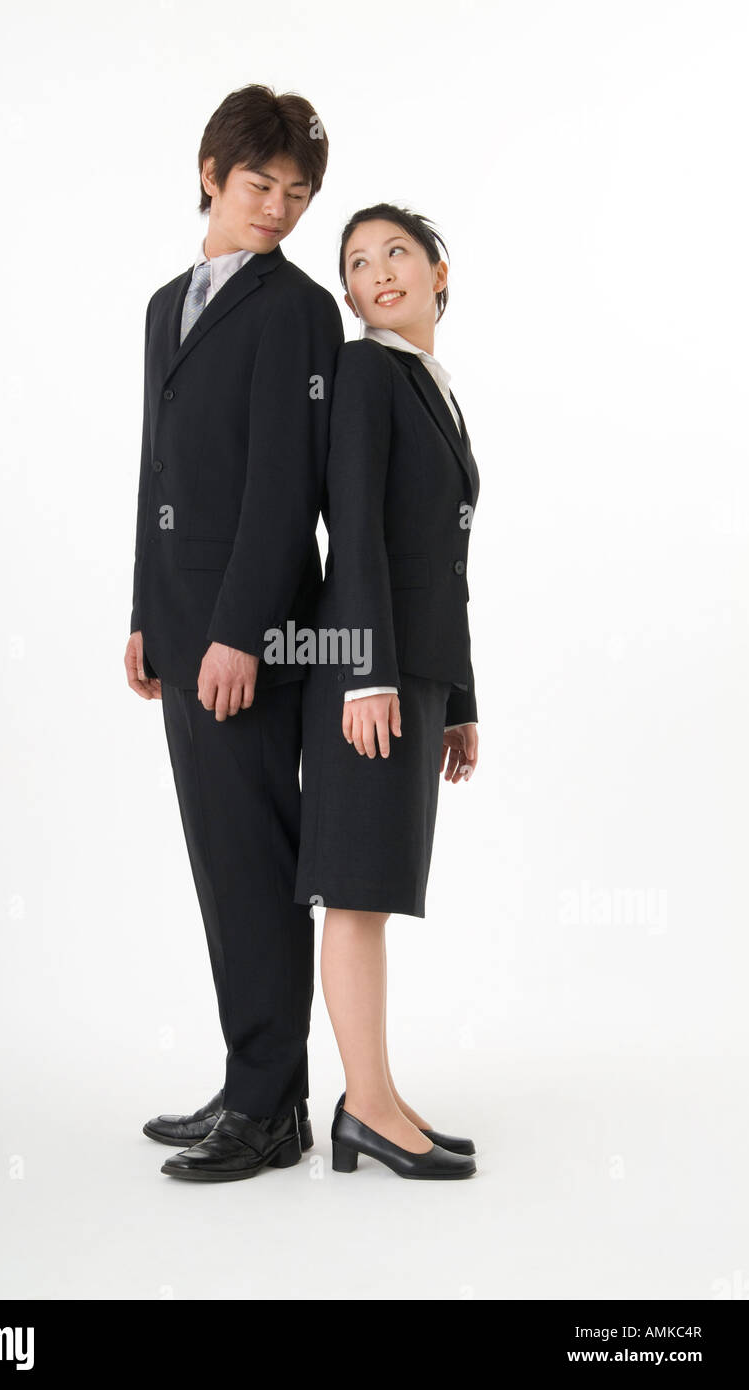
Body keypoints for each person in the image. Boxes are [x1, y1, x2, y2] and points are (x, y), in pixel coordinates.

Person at [125, 85, 344, 1182]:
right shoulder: (167, 303)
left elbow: (282, 488)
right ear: (212, 171)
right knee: (222, 862)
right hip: (179, 627)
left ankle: (266, 1106)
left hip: (247, 639)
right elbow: (155, 469)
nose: (278, 208)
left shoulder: (298, 309)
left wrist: (241, 632)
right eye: (261, 184)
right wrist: (140, 612)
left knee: (255, 861)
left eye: (298, 194)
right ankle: (257, 1086)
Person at [293, 205, 481, 1179]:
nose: (377, 272)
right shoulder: (365, 371)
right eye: (357, 262)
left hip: (415, 674)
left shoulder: (427, 385)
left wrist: (458, 697)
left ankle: (377, 1094)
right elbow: (350, 527)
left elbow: (439, 562)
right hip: (365, 677)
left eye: (395, 252)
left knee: (374, 887)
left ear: (437, 271)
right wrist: (364, 670)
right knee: (354, 892)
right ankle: (363, 1105)